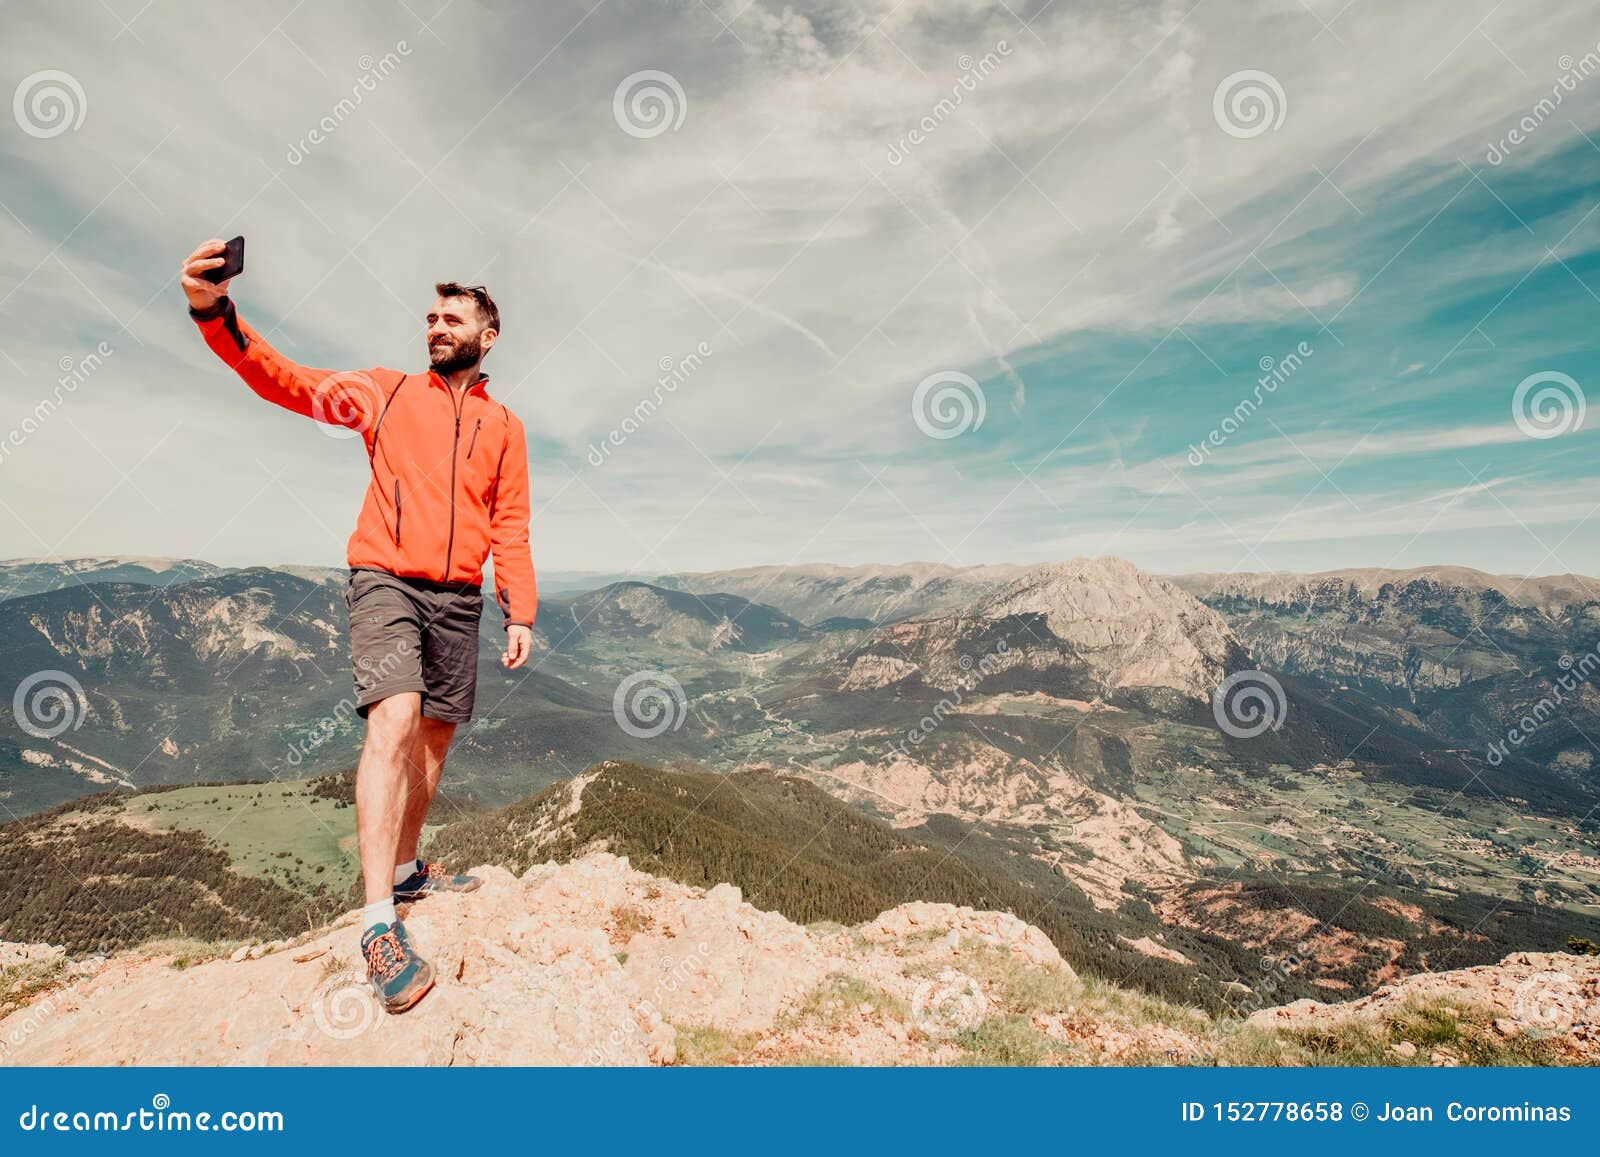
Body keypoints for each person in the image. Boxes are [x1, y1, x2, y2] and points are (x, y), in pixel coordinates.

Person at [180, 239, 537, 1013]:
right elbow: (287, 382)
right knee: (397, 717)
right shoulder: (384, 392)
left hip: (460, 599)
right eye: (431, 317)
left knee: (435, 734)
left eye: (453, 317)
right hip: (385, 581)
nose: (436, 326)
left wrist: (521, 610)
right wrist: (216, 314)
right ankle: (380, 924)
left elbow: (511, 526)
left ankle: (408, 868)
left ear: (489, 333)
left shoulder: (505, 427)